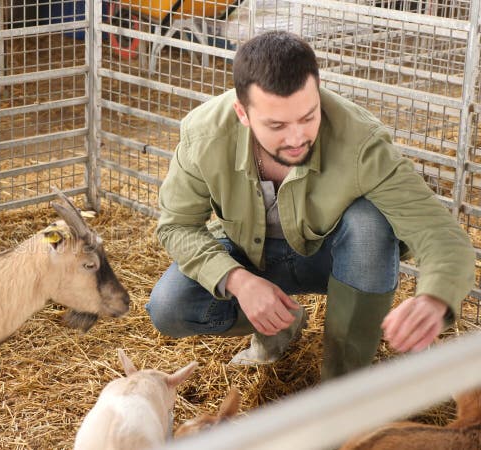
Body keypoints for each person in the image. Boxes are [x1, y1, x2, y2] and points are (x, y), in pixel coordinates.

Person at [146, 30, 475, 380]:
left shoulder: (361, 140)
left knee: (369, 223)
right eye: (276, 125)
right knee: (169, 306)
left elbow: (440, 235)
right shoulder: (203, 134)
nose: (297, 138)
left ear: (317, 94)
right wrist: (237, 280)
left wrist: (435, 297)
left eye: (308, 117)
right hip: (250, 256)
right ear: (242, 113)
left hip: (333, 257)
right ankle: (280, 325)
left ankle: (344, 385)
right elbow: (176, 225)